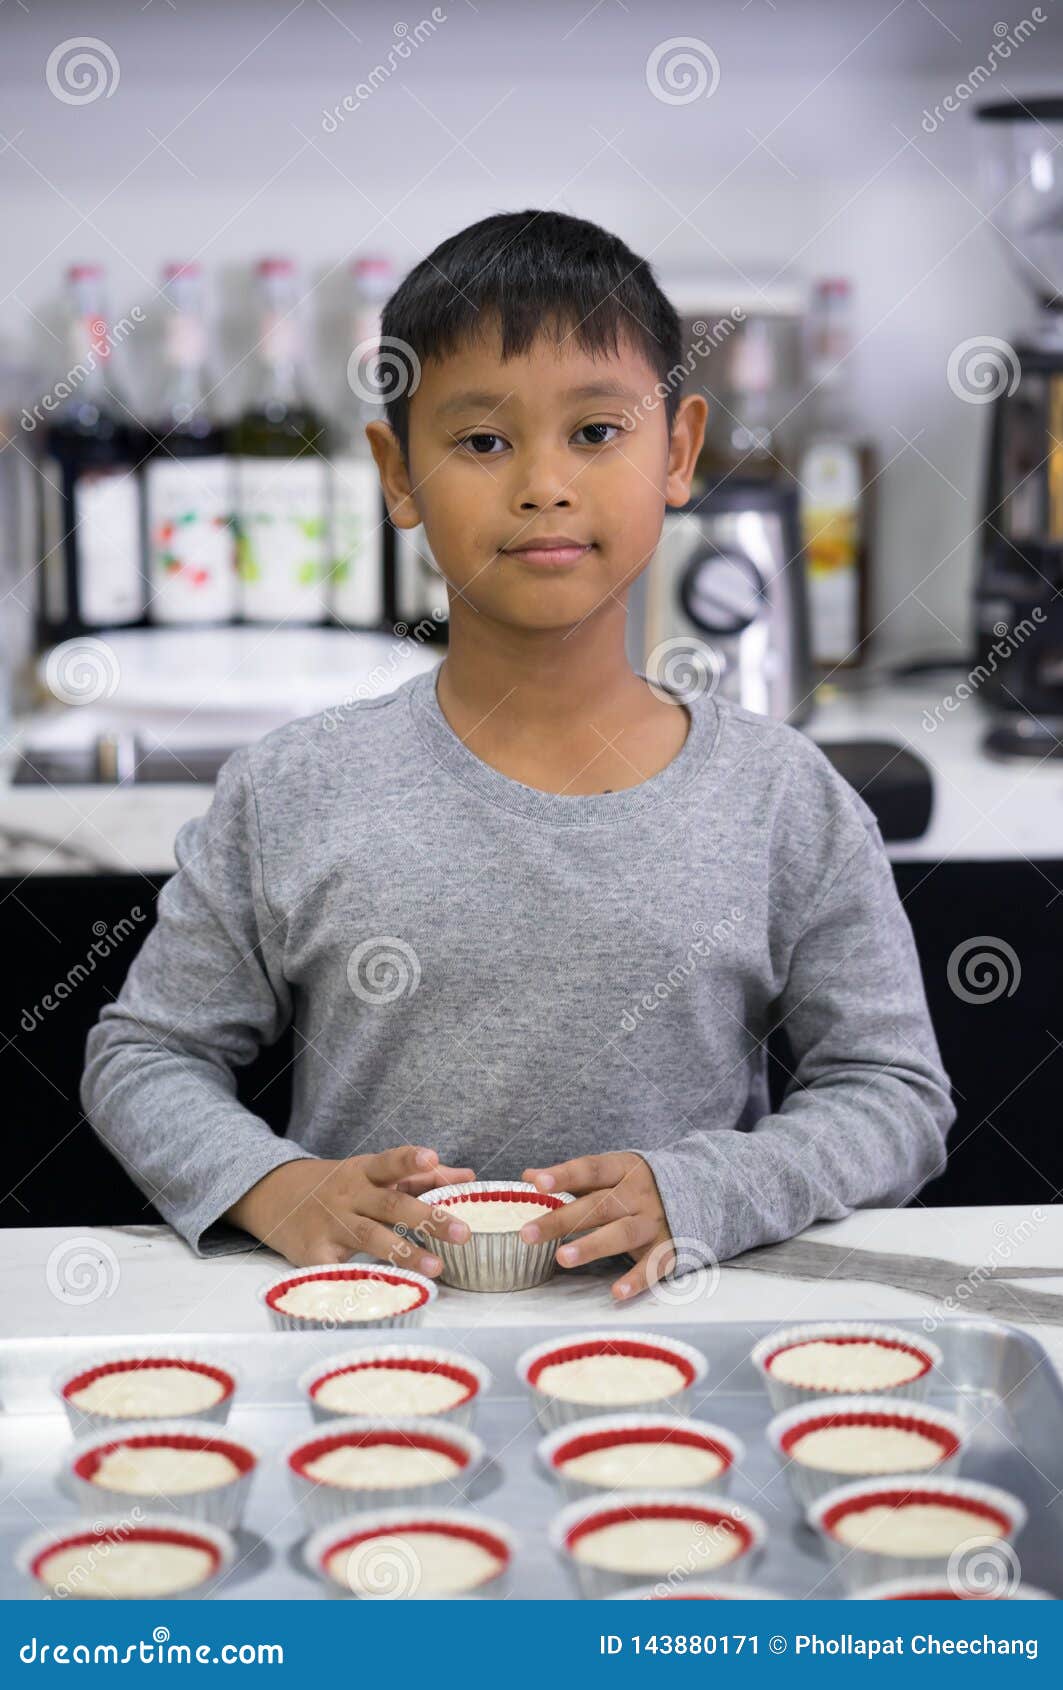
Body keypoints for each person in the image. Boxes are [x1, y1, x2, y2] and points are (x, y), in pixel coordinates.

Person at [80, 209, 955, 1302]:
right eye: (482, 441)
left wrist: (706, 1190)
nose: (543, 482)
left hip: (681, 1347)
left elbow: (891, 1094)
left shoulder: (781, 799)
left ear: (676, 451)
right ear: (396, 475)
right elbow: (143, 1056)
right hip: (365, 1348)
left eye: (595, 433)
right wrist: (279, 1184)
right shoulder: (292, 789)